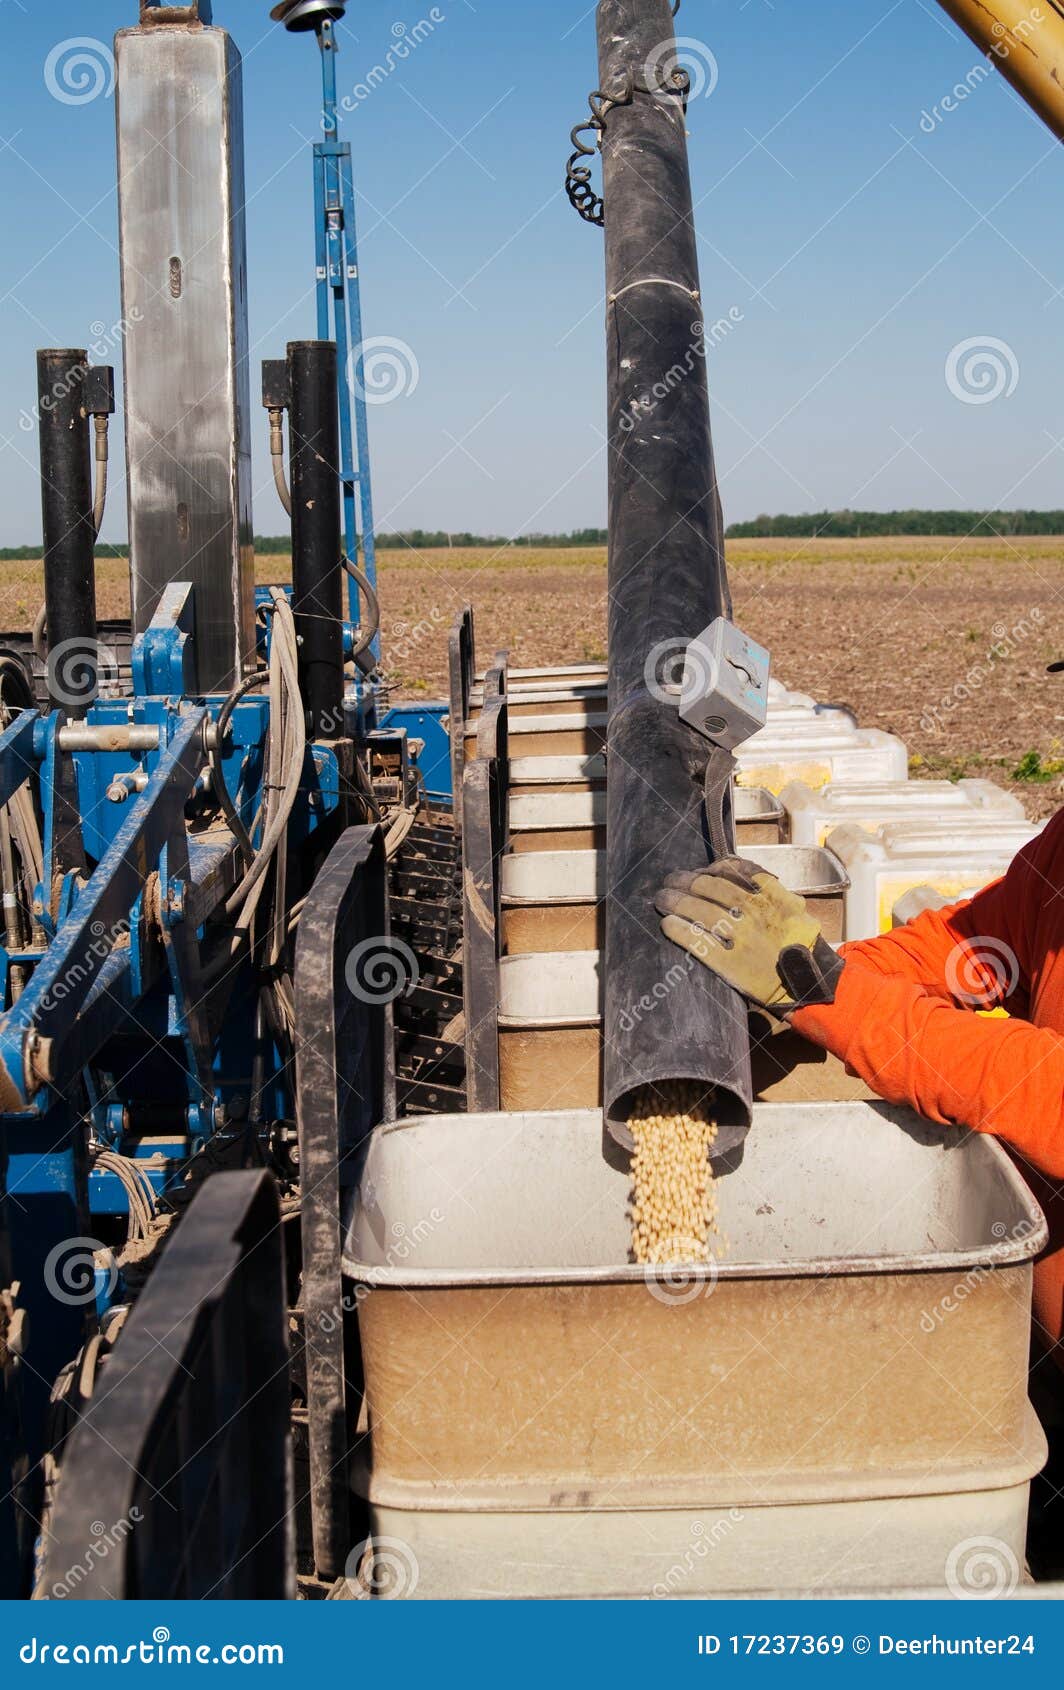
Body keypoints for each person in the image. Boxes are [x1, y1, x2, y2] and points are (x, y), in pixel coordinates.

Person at [655, 813, 1064, 1366]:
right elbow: (970, 946)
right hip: (1033, 1334)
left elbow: (1049, 1095)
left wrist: (833, 995)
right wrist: (818, 972)